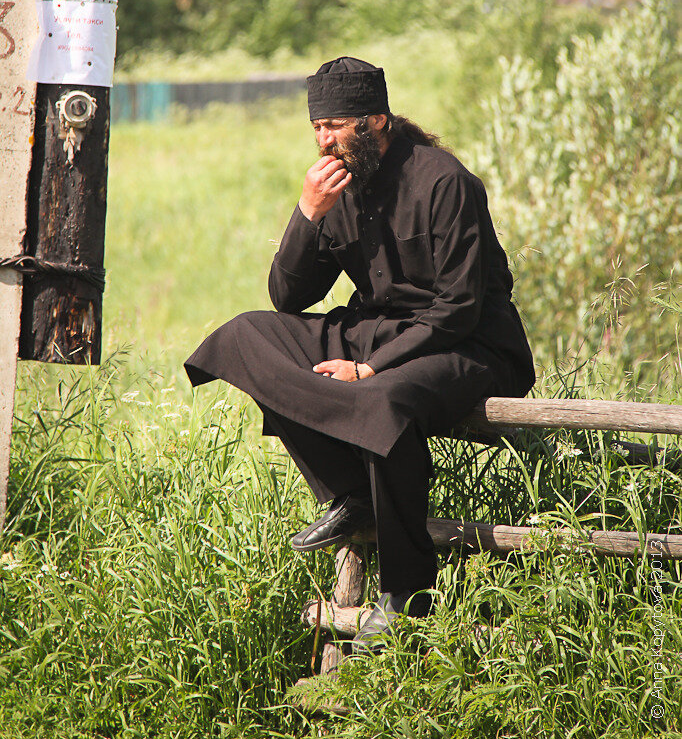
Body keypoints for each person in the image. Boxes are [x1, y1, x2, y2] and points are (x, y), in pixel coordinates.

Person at [185, 57, 535, 652]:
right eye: (317, 126)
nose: (324, 140)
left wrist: (370, 366)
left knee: (379, 398)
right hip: (376, 331)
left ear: (377, 121)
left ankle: (407, 592)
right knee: (246, 336)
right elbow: (290, 298)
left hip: (470, 345)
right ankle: (349, 492)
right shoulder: (335, 186)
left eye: (337, 126)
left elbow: (458, 307)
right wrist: (307, 214)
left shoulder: (445, 182)